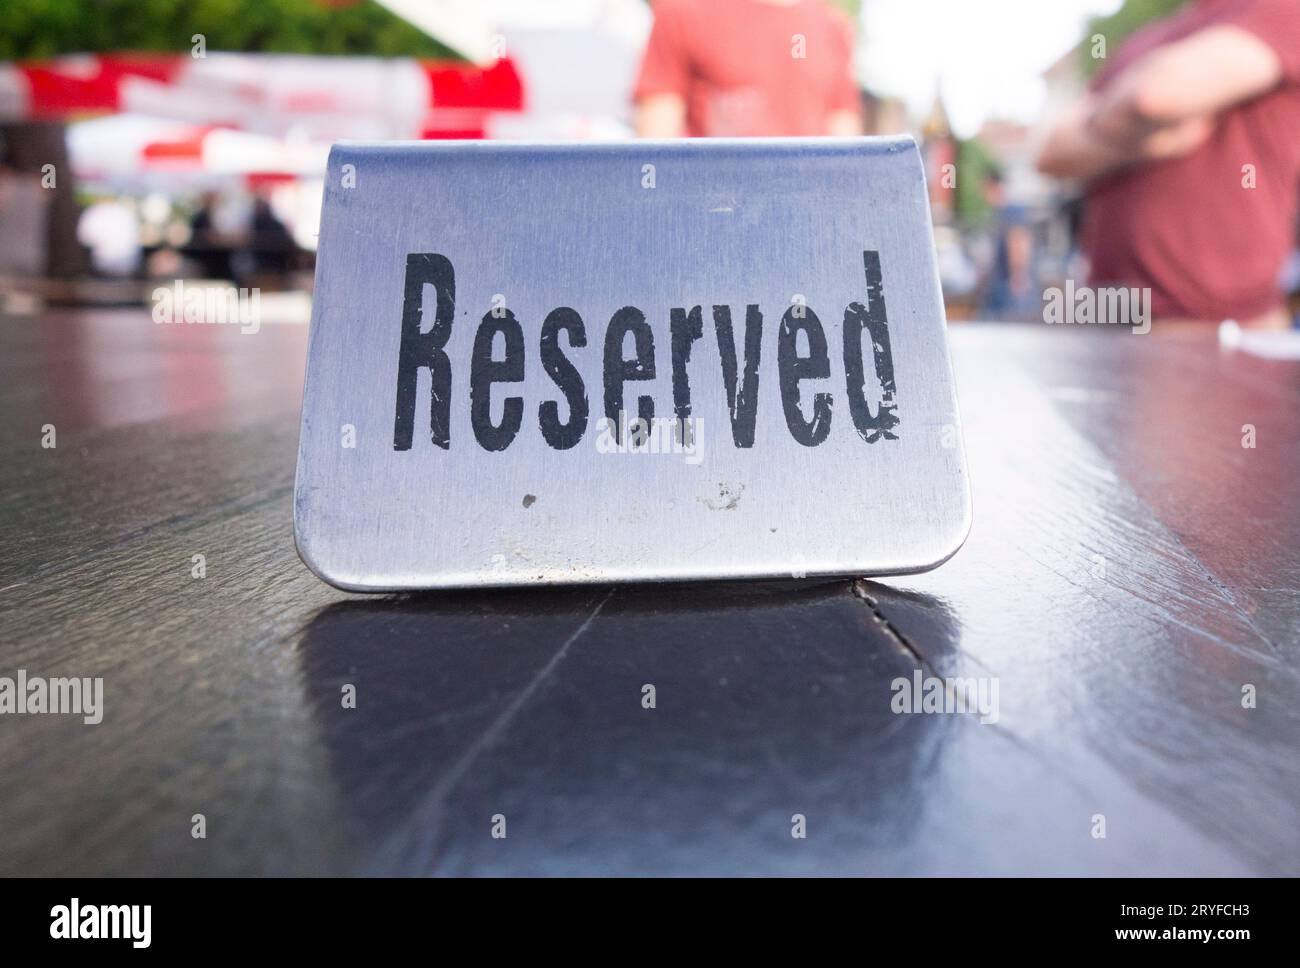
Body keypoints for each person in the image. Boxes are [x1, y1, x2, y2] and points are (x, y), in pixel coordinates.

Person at [1037, 0, 1300, 329]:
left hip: (1220, 328)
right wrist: (1143, 142)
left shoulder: (1282, 10)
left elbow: (1155, 95)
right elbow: (1052, 153)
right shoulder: (1144, 40)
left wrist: (1100, 128)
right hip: (1110, 318)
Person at [634, 0, 863, 138]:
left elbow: (845, 147)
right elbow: (656, 147)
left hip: (810, 211)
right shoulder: (681, 12)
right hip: (717, 211)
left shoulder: (832, 27)